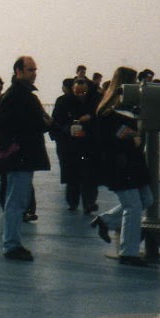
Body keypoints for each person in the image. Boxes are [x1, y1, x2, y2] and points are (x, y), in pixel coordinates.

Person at [0, 56, 51, 261]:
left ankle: (12, 242)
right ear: (19, 71)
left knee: (16, 199)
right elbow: (27, 124)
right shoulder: (20, 96)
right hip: (20, 156)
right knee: (16, 201)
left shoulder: (14, 95)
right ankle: (11, 244)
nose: (34, 74)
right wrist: (44, 124)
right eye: (30, 70)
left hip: (17, 156)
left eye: (35, 70)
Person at [92, 66, 154, 266]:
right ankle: (129, 253)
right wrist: (131, 139)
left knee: (146, 199)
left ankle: (106, 221)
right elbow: (107, 139)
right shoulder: (108, 112)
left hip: (133, 163)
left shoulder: (130, 108)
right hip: (120, 164)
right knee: (133, 205)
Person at [56, 76, 100, 214]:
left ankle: (89, 203)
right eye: (78, 92)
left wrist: (91, 118)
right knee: (72, 176)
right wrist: (68, 128)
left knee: (90, 175)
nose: (81, 95)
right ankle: (72, 202)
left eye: (83, 92)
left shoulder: (96, 101)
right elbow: (57, 122)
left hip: (90, 143)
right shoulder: (63, 101)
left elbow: (103, 119)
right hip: (70, 145)